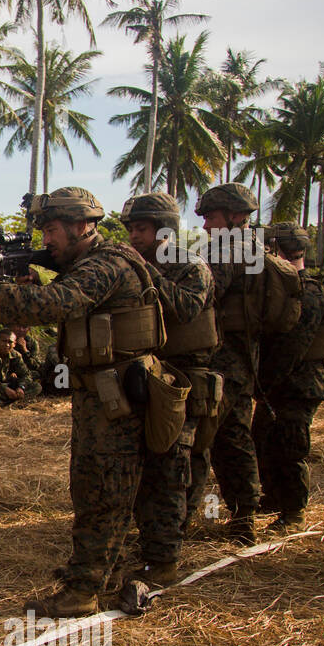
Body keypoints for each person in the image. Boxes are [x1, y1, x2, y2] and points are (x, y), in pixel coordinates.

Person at [0, 187, 163, 618]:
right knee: (91, 485)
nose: (46, 240)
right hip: (101, 392)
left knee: (103, 489)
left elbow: (55, 304)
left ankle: (85, 591)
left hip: (118, 394)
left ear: (81, 226)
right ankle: (94, 571)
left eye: (51, 230)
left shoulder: (107, 263)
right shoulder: (88, 261)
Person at [119, 193, 216, 599]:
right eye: (130, 230)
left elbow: (185, 309)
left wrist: (144, 271)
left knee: (172, 472)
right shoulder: (139, 266)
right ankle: (150, 546)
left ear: (163, 229)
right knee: (144, 467)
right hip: (146, 378)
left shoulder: (190, 266)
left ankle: (165, 561)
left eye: (140, 229)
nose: (133, 237)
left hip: (181, 382)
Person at [188, 183, 273, 544]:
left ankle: (178, 521)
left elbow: (202, 294)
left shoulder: (231, 249)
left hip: (223, 363)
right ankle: (244, 518)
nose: (206, 226)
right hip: (240, 362)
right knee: (233, 438)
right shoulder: (255, 247)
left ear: (237, 216)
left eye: (212, 218)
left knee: (198, 440)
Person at [254, 223, 324, 533]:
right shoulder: (288, 287)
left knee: (290, 447)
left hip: (299, 386)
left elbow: (292, 348)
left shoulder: (308, 291)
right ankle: (274, 496)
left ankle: (294, 511)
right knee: (263, 439)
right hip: (281, 385)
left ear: (277, 249)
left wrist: (264, 382)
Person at [0, 329, 35, 406]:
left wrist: (21, 387)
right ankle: (8, 401)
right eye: (4, 341)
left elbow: (26, 375)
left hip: (9, 385)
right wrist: (3, 389)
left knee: (36, 386)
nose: (7, 345)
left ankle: (8, 400)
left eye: (10, 342)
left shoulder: (16, 356)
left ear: (14, 344)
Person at [9, 324, 43, 397]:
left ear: (29, 329)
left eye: (24, 327)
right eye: (18, 326)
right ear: (12, 327)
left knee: (37, 382)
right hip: (5, 374)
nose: (21, 329)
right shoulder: (4, 338)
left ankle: (17, 394)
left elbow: (36, 366)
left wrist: (25, 350)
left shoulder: (32, 342)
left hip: (24, 375)